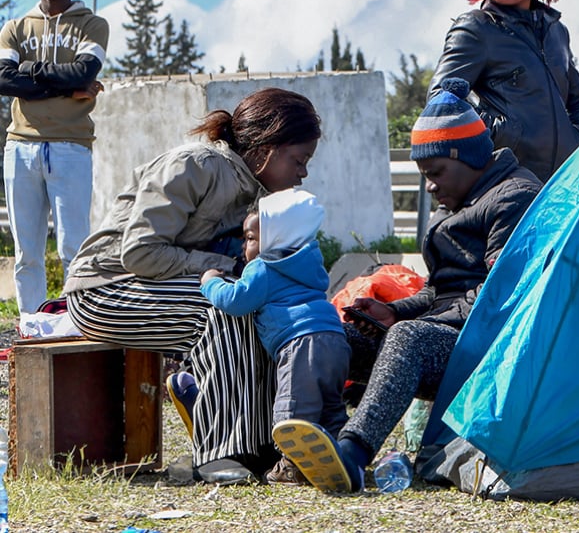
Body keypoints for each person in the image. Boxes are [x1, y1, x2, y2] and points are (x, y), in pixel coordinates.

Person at [272, 78, 542, 493]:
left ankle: (352, 453)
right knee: (329, 336)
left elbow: (498, 297)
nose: (430, 186)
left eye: (435, 173)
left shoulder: (513, 198)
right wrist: (395, 310)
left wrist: (413, 323)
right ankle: (306, 441)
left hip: (486, 344)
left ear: (467, 156)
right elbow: (439, 290)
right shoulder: (455, 203)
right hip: (441, 332)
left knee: (408, 338)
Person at [63, 87, 321, 485]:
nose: (302, 172)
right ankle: (221, 453)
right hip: (106, 290)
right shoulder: (195, 165)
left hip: (159, 290)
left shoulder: (255, 193)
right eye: (299, 160)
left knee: (259, 309)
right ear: (267, 146)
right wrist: (221, 267)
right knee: (219, 309)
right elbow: (140, 254)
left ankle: (262, 445)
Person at [200, 189, 350, 486]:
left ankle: (291, 467)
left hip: (299, 342)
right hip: (334, 336)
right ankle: (341, 455)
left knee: (294, 410)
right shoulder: (309, 264)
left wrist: (211, 283)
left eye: (252, 238)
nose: (245, 245)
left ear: (275, 237)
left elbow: (236, 300)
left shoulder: (264, 267)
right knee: (331, 406)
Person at [428, 0, 579, 183]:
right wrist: (504, 132)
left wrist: (578, 137)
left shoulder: (556, 31)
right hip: (505, 187)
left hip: (562, 185)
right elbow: (441, 99)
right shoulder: (476, 29)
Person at [0, 0, 108, 315]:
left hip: (71, 147)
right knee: (26, 250)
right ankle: (31, 325)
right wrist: (66, 84)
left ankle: (75, 323)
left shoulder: (92, 25)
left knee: (74, 245)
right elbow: (3, 78)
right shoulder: (16, 27)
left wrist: (30, 75)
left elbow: (85, 70)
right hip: (21, 147)